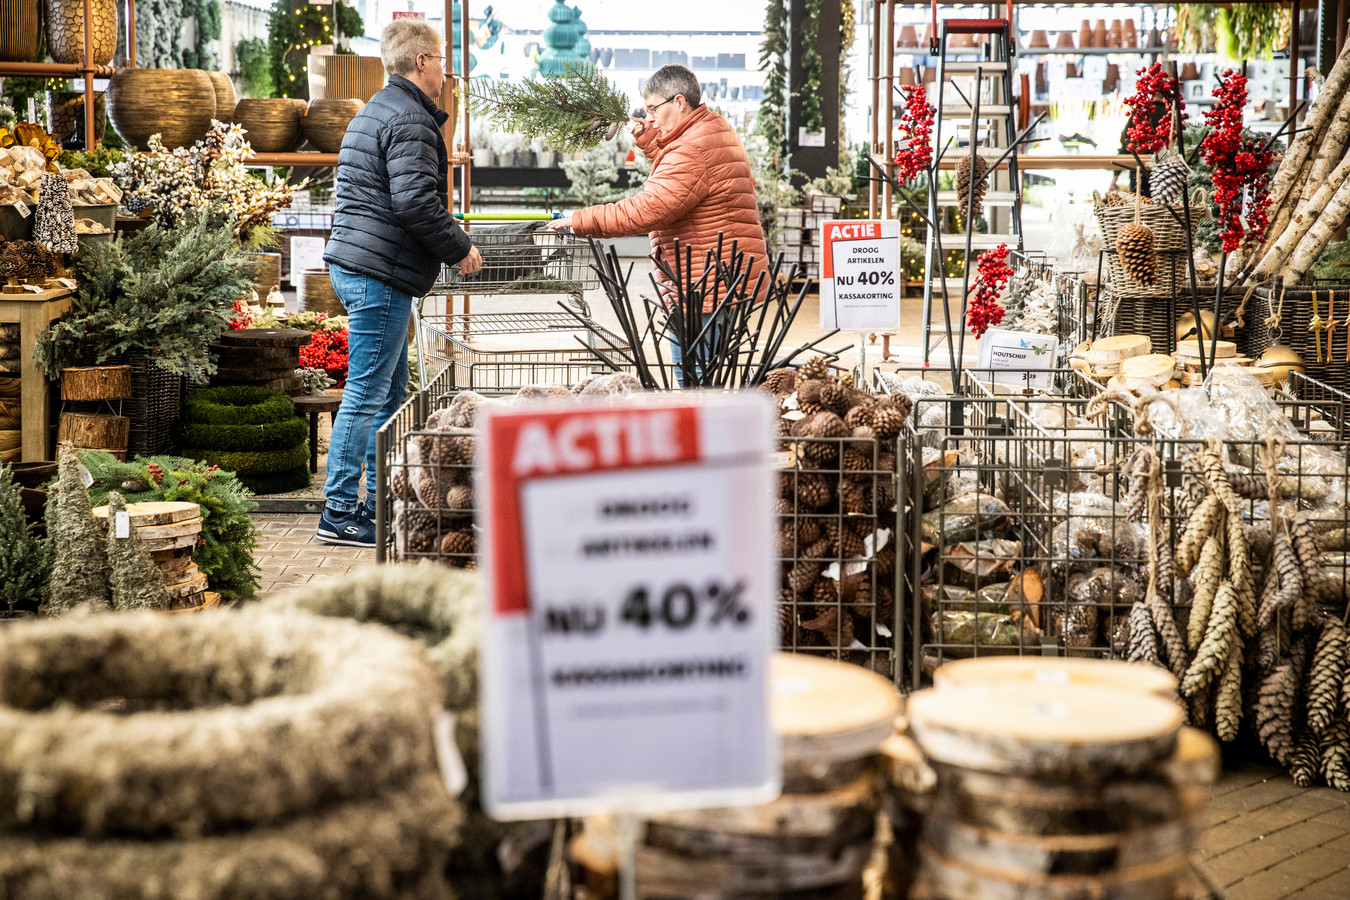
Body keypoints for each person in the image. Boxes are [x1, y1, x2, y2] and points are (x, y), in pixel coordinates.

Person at [317, 18, 482, 547]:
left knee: (387, 393)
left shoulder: (375, 110)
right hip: (380, 272)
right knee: (367, 393)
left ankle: (379, 504)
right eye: (442, 62)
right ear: (422, 62)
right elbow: (415, 202)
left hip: (362, 265)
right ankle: (340, 512)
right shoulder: (411, 119)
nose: (446, 74)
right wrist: (460, 247)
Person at [547, 64, 766, 384]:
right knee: (705, 380)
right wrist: (652, 142)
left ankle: (698, 434)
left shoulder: (693, 147)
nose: (649, 117)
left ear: (679, 102)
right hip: (718, 274)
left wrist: (582, 219)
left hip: (706, 283)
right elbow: (685, 182)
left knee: (695, 383)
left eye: (653, 109)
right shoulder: (713, 128)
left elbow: (652, 208)